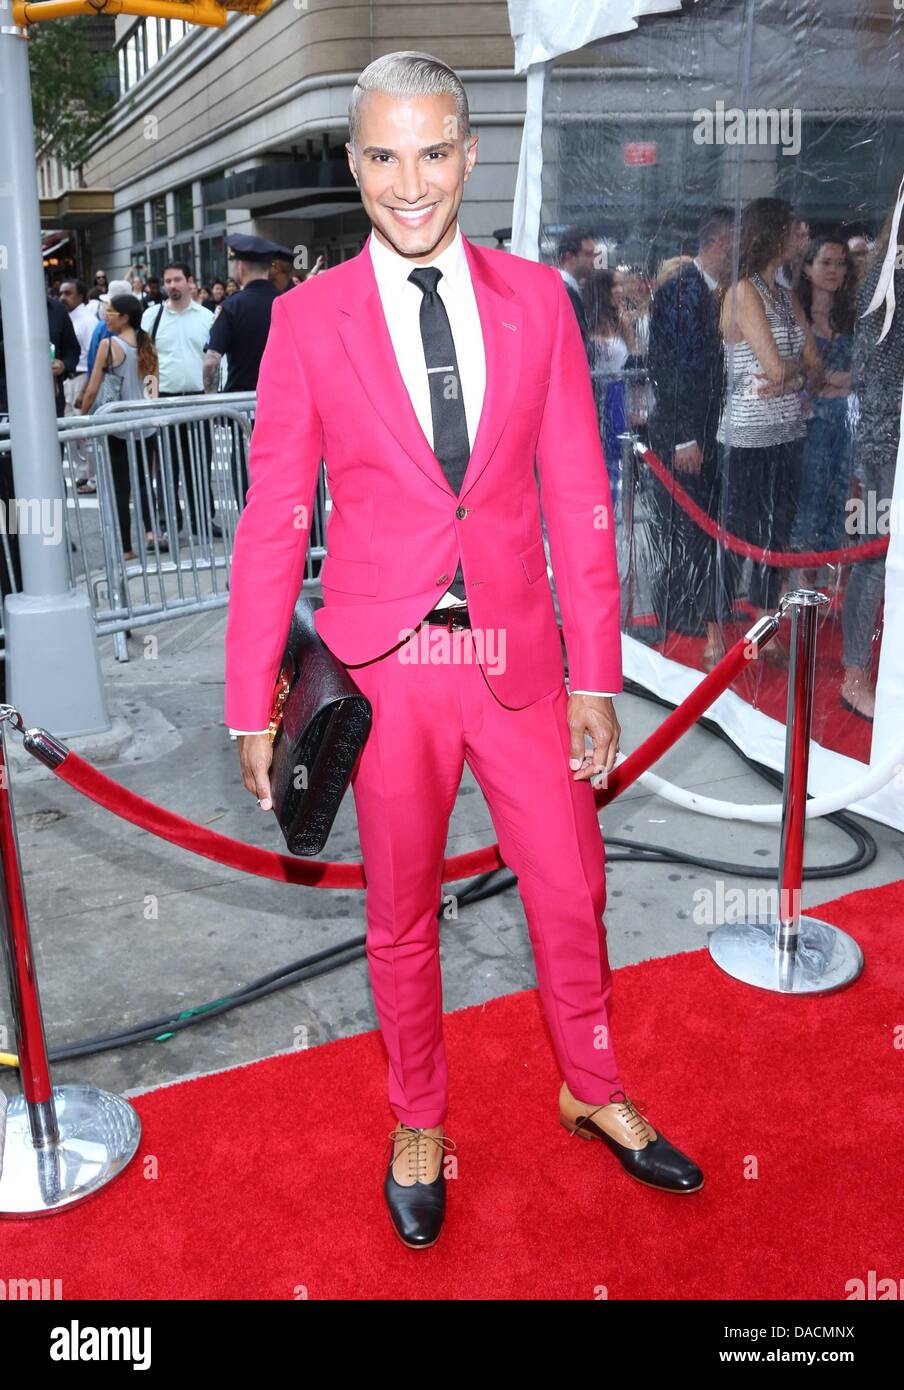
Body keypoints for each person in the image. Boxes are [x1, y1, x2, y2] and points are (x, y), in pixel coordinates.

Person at [224, 49, 703, 1252]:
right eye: (382, 155)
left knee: (571, 886)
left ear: (469, 152)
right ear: (353, 161)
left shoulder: (538, 301)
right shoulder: (303, 320)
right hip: (382, 672)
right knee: (399, 912)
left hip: (513, 656)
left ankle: (589, 1084)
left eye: (432, 151)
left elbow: (576, 496)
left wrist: (597, 670)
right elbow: (276, 513)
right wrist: (252, 698)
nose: (409, 181)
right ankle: (419, 1117)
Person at [715, 198, 824, 654]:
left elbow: (813, 367)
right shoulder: (744, 291)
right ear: (773, 233)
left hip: (788, 431)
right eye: (794, 229)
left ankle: (763, 621)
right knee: (737, 532)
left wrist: (792, 374)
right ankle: (714, 630)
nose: (802, 237)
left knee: (776, 531)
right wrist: (793, 373)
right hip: (747, 435)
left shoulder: (784, 294)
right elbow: (778, 370)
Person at [647, 207, 733, 661]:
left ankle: (693, 607)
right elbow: (669, 367)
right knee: (681, 527)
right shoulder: (679, 291)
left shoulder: (713, 290)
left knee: (700, 526)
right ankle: (675, 610)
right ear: (719, 243)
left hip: (709, 431)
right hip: (684, 433)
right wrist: (683, 437)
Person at [840, 210, 904, 721]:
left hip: (886, 437)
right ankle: (854, 673)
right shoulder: (887, 278)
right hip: (887, 443)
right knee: (873, 560)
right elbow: (875, 373)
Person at [203, 234, 290, 526]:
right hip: (288, 408)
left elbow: (211, 360)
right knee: (292, 477)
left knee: (251, 477)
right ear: (271, 266)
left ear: (240, 267)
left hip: (245, 410)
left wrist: (214, 403)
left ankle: (261, 537)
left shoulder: (232, 307)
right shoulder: (288, 303)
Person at [789, 233, 857, 583]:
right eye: (826, 262)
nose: (834, 270)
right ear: (807, 268)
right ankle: (799, 597)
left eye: (841, 263)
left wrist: (829, 379)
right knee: (806, 511)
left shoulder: (855, 318)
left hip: (846, 430)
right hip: (808, 429)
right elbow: (803, 378)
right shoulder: (794, 315)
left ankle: (828, 599)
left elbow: (866, 373)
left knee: (841, 508)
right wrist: (831, 378)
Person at [78, 293, 159, 559]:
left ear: (124, 318)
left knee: (121, 487)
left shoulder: (108, 344)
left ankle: (126, 548)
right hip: (146, 424)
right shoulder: (147, 342)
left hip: (118, 425)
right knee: (145, 482)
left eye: (111, 312)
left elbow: (92, 389)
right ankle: (151, 533)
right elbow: (152, 389)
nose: (106, 316)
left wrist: (82, 417)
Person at [140, 262, 215, 542]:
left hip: (199, 400)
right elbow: (146, 361)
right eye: (167, 280)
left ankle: (202, 521)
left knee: (199, 464)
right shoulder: (152, 316)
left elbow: (217, 360)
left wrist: (214, 398)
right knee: (168, 468)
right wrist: (151, 399)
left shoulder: (206, 317)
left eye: (177, 280)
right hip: (166, 402)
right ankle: (169, 522)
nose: (172, 285)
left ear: (190, 282)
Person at [583, 267, 632, 511]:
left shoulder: (620, 320)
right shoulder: (587, 321)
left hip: (617, 392)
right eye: (616, 286)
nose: (621, 290)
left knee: (615, 454)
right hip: (593, 395)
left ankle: (611, 508)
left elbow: (633, 356)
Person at [58, 279, 100, 487]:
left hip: (83, 379)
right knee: (69, 433)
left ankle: (92, 476)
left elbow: (94, 358)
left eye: (68, 293)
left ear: (80, 296)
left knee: (85, 432)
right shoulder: (65, 318)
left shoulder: (88, 320)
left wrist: (86, 390)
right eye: (61, 293)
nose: (63, 297)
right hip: (67, 380)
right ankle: (82, 472)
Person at [556, 226, 596, 340]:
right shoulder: (564, 292)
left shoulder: (567, 288)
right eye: (588, 254)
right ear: (569, 257)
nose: (593, 260)